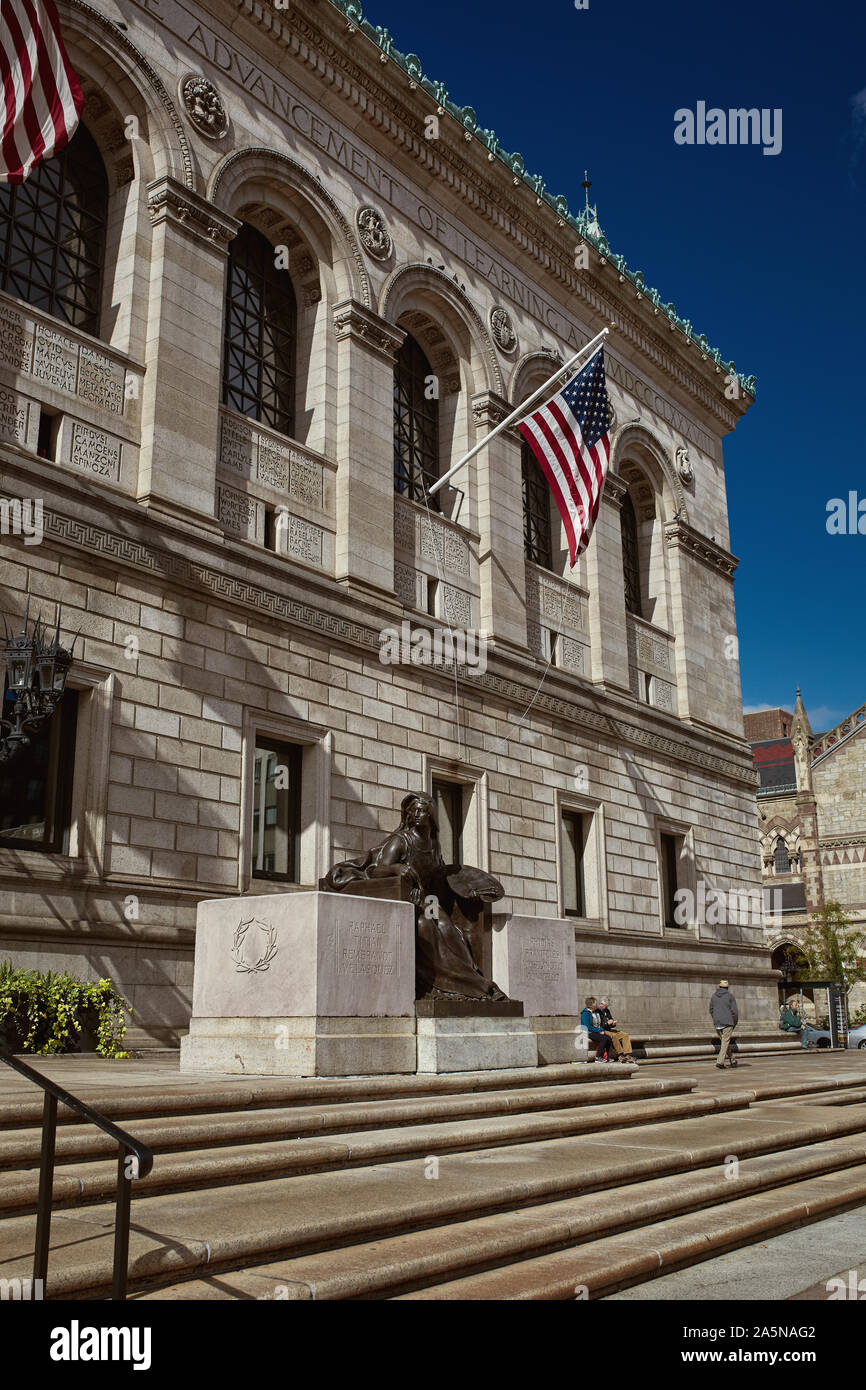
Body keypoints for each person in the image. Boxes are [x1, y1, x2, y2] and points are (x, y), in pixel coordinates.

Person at [710, 978, 739, 1068]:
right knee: (725, 1042)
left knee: (724, 1042)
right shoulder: (730, 996)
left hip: (717, 1022)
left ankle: (733, 1060)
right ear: (727, 988)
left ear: (719, 987)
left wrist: (716, 1018)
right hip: (727, 1022)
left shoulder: (714, 996)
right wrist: (734, 1022)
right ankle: (720, 1062)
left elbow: (711, 1009)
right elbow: (734, 1012)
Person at [597, 999, 636, 1064]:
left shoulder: (607, 1010)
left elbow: (611, 1020)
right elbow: (598, 1024)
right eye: (605, 1006)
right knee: (614, 1036)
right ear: (601, 1004)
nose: (606, 1007)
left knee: (624, 1034)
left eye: (607, 1006)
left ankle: (627, 1054)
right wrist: (607, 1023)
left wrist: (613, 1024)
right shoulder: (597, 1011)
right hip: (602, 1030)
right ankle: (620, 1055)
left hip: (609, 1029)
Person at [580, 995, 615, 1061]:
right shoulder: (585, 1013)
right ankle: (598, 1057)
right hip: (588, 1032)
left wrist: (601, 1030)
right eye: (596, 1004)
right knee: (603, 1039)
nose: (597, 1005)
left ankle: (607, 1056)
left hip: (594, 1031)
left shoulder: (594, 1012)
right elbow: (588, 1027)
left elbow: (598, 1024)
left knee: (608, 1038)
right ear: (592, 1005)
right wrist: (599, 1031)